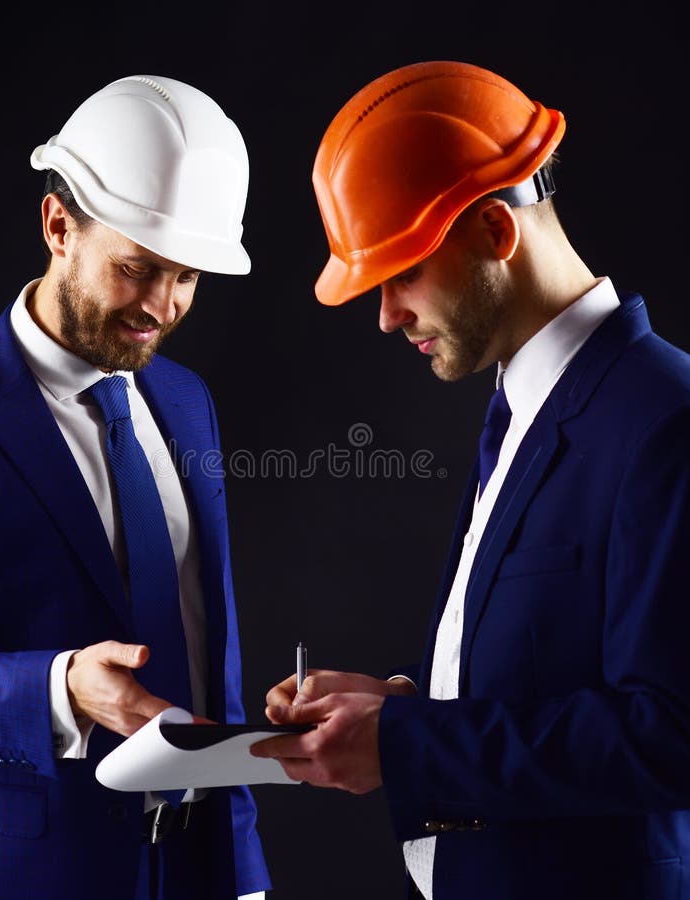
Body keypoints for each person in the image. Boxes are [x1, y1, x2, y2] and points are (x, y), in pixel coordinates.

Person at [250, 60, 690, 899]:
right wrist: (404, 705)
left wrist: (405, 743)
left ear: (495, 229)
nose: (384, 315)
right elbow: (557, 669)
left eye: (401, 273)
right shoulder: (520, 405)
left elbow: (670, 733)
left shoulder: (663, 423)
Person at [0, 74, 270, 899]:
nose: (161, 306)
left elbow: (209, 637)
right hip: (12, 875)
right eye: (137, 269)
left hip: (192, 867)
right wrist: (59, 689)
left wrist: (240, 869)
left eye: (186, 278)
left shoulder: (184, 400)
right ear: (58, 225)